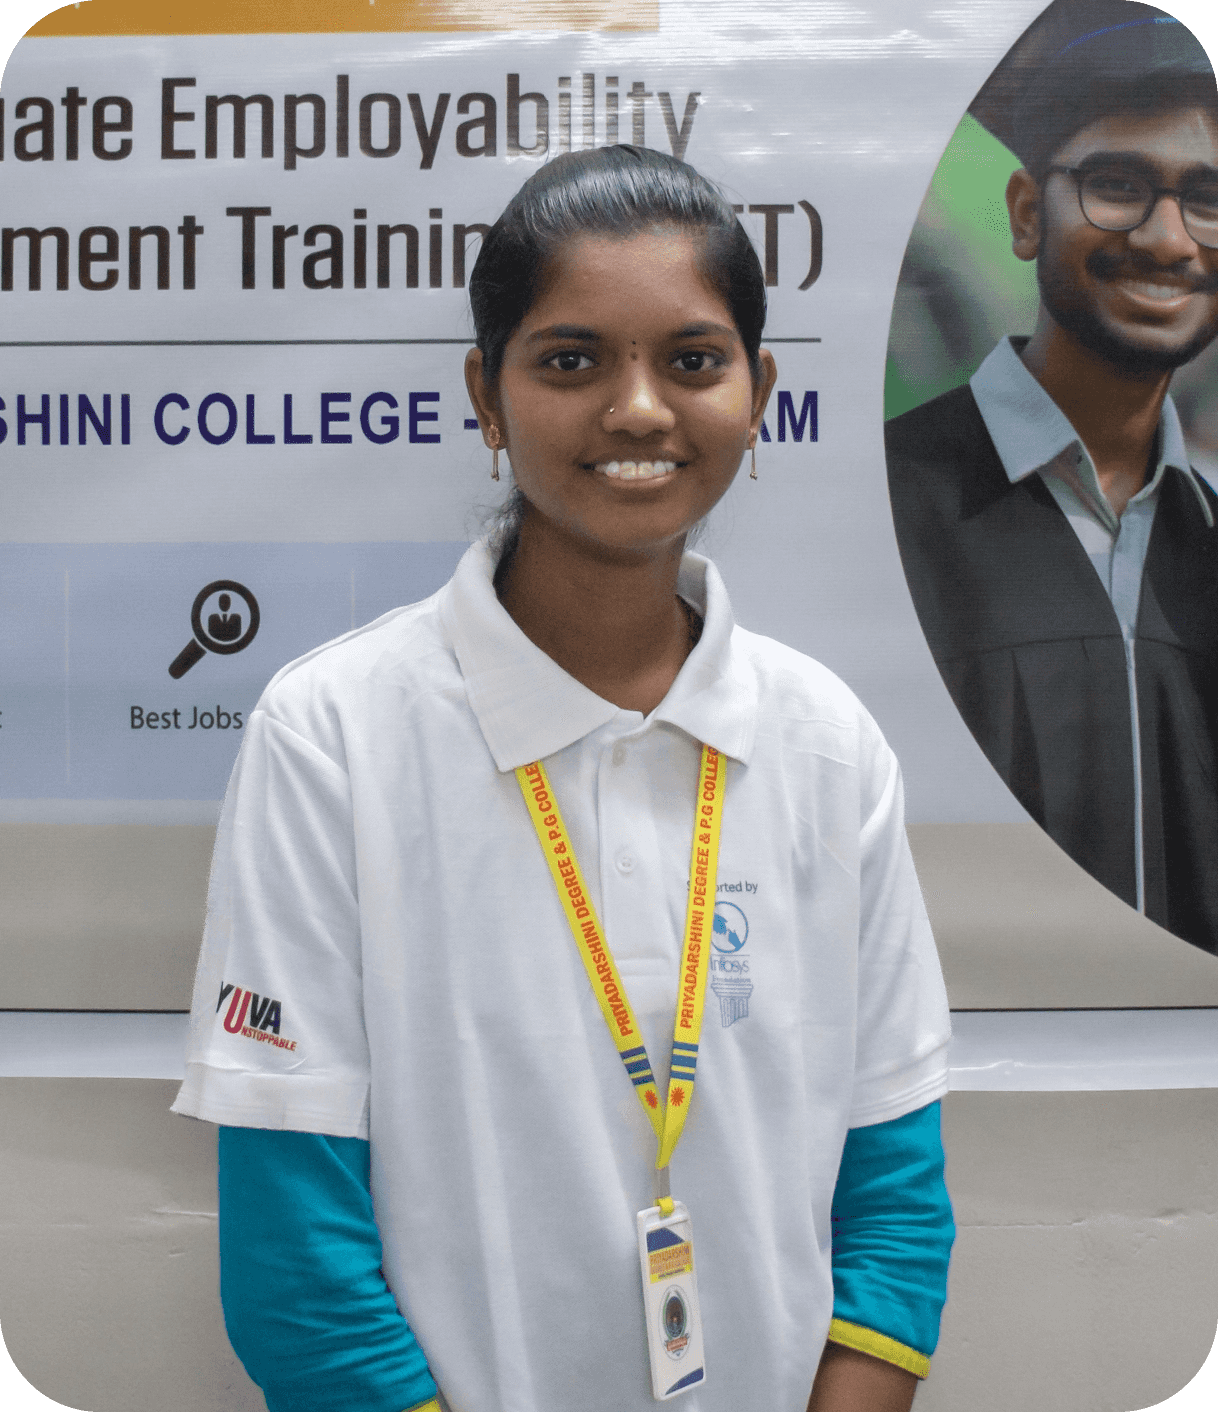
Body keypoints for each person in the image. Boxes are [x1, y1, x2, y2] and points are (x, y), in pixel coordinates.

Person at [172, 144, 954, 1412]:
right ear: (488, 395)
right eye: (572, 359)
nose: (639, 407)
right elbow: (296, 1267)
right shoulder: (333, 734)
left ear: (760, 390)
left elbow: (895, 1206)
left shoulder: (827, 742)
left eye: (694, 360)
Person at [886, 0, 1218, 955]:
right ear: (1029, 214)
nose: (1167, 238)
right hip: (971, 1057)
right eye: (1118, 184)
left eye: (1209, 198)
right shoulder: (895, 506)